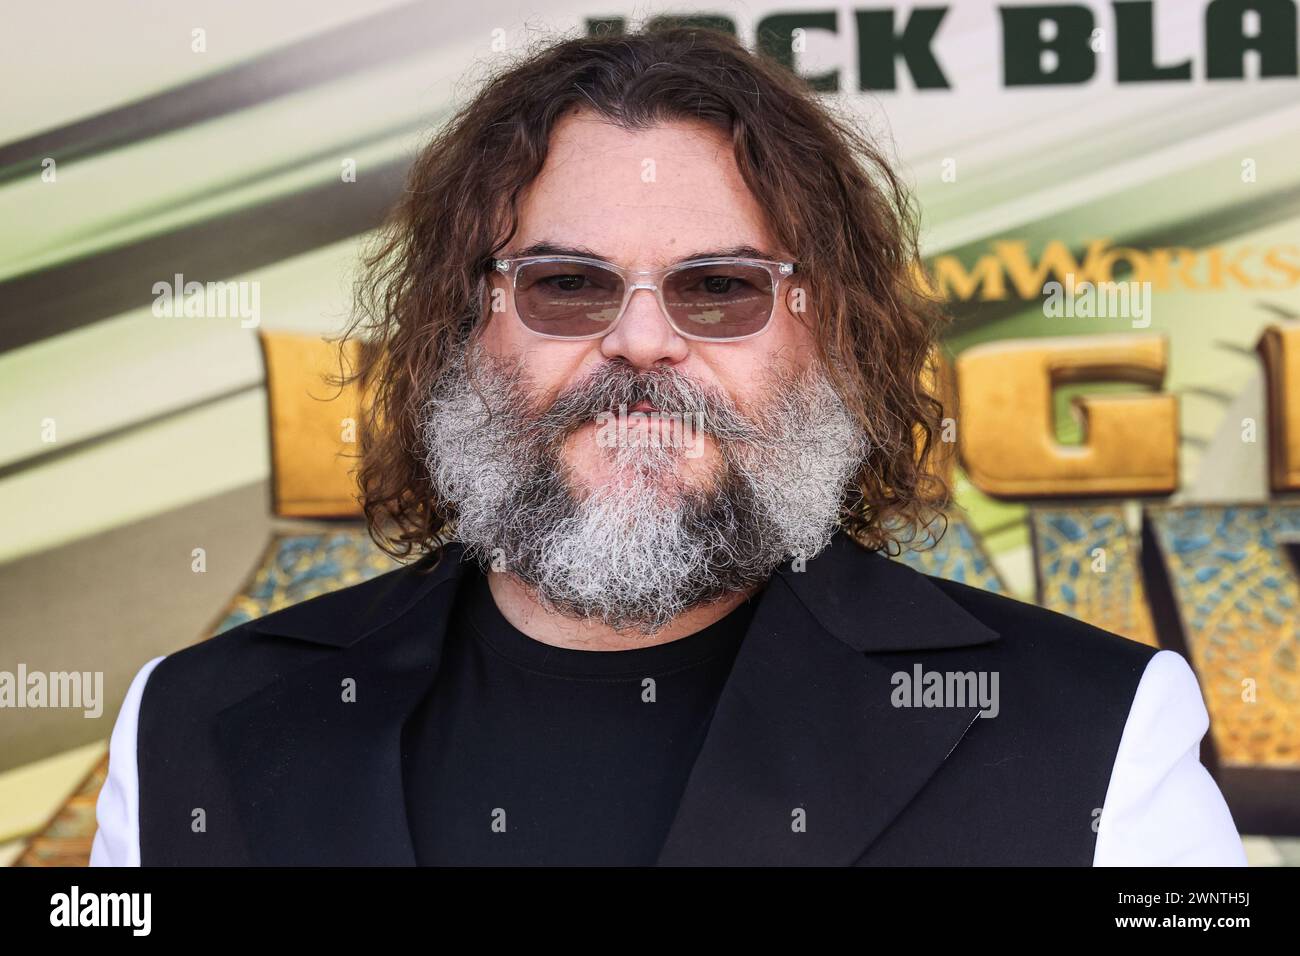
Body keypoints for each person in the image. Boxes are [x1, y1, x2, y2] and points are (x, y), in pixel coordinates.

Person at [90, 25, 1244, 866]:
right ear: (459, 325)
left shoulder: (1098, 731)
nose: (641, 340)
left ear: (828, 333)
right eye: (566, 284)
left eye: (720, 288)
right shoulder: (196, 724)